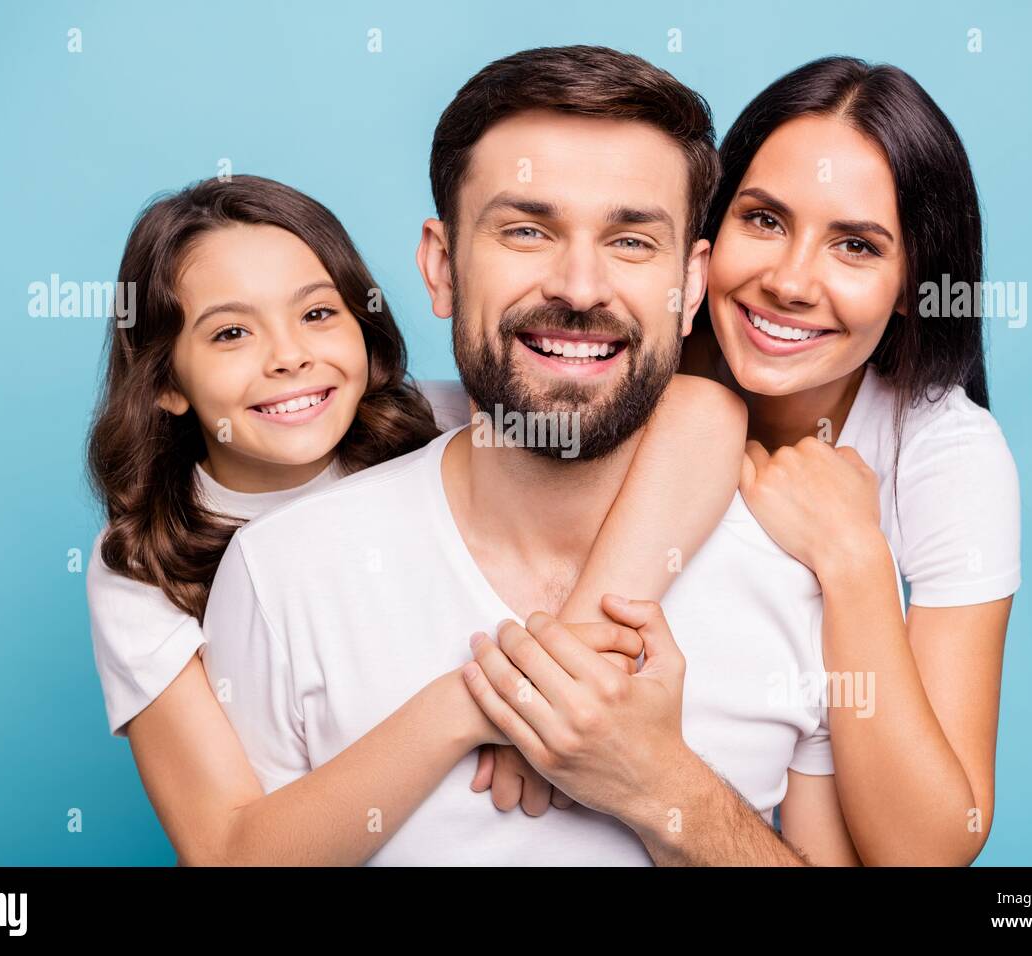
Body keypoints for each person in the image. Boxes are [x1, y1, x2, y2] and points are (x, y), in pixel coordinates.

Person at [202, 45, 860, 866]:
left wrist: (664, 789)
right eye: (525, 230)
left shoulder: (799, 584)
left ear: (691, 288)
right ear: (442, 267)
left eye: (630, 241)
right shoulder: (283, 577)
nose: (580, 288)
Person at [86, 174, 747, 862]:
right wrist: (483, 705)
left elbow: (701, 414)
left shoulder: (441, 421)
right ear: (165, 382)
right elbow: (228, 850)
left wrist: (563, 664)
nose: (288, 357)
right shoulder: (138, 565)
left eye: (316, 315)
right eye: (230, 333)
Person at [678, 56, 1021, 865]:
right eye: (763, 220)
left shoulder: (946, 453)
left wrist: (852, 558)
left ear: (914, 285)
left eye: (857, 247)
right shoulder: (633, 368)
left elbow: (932, 846)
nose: (791, 282)